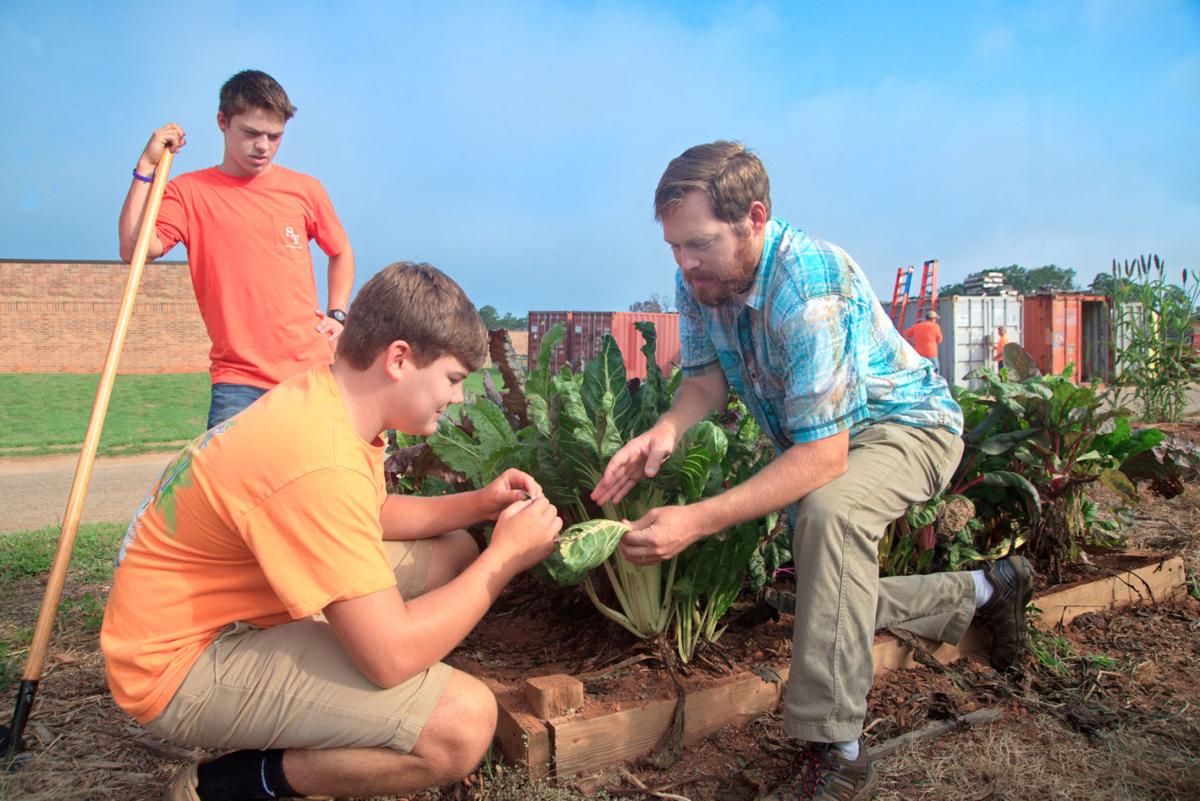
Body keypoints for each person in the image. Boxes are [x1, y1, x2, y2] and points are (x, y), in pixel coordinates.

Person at [592, 142, 1033, 801]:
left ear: (755, 217)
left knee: (832, 513)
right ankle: (985, 590)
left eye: (699, 244)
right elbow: (703, 385)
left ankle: (838, 752)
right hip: (828, 436)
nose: (684, 264)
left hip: (906, 427)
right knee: (831, 597)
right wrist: (664, 430)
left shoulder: (808, 285)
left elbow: (824, 459)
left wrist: (695, 520)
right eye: (674, 247)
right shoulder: (701, 282)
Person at [100, 262, 563, 801]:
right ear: (399, 359)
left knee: (454, 549)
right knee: (462, 725)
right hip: (179, 668)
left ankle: (325, 684)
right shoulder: (319, 459)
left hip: (218, 611)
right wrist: (504, 558)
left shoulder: (327, 401)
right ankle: (229, 786)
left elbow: (365, 513)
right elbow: (388, 658)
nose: (458, 397)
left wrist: (480, 504)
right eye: (453, 379)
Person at [118, 69, 355, 429]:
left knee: (316, 482)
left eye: (275, 136)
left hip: (312, 373)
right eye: (251, 133)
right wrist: (146, 167)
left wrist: (338, 314)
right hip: (238, 382)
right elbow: (134, 249)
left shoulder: (305, 190)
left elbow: (340, 251)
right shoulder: (189, 192)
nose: (264, 146)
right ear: (222, 122)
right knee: (229, 485)